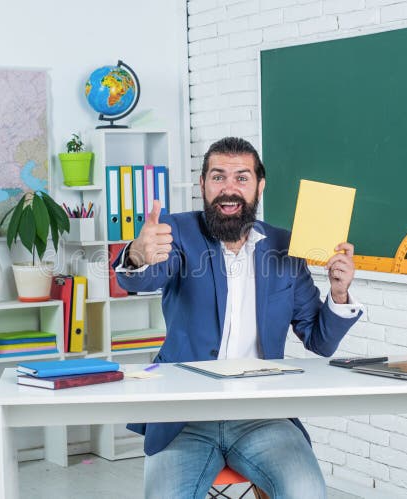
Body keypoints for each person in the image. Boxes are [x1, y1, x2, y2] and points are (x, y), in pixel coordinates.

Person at [114, 137, 363, 499]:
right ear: (203, 184)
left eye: (242, 178)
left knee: (306, 490)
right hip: (185, 416)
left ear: (260, 187)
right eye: (218, 177)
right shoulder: (176, 232)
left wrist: (338, 294)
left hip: (261, 415)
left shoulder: (285, 247)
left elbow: (320, 341)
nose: (229, 189)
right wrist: (137, 254)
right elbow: (144, 278)